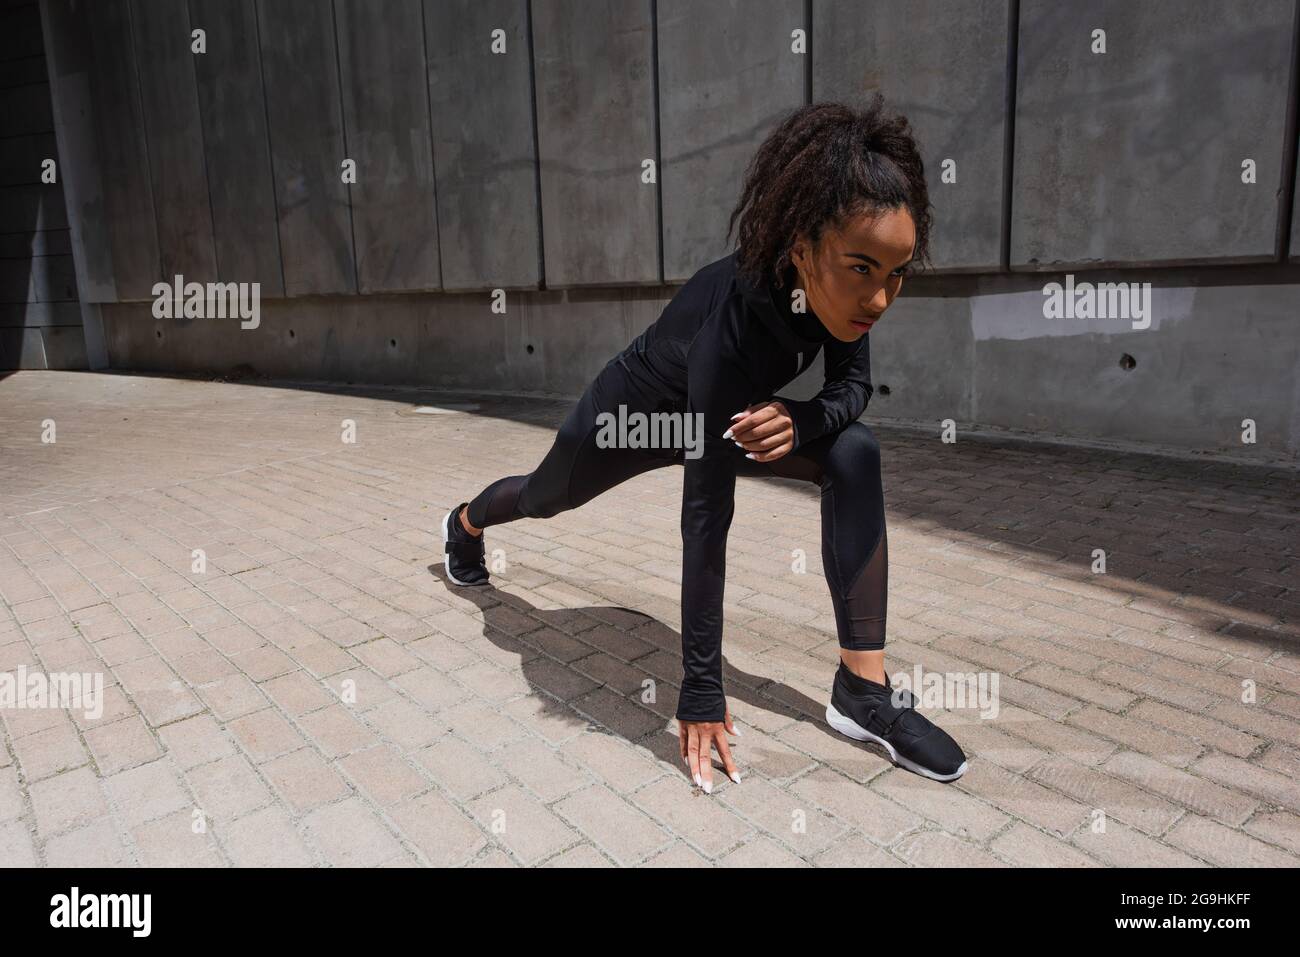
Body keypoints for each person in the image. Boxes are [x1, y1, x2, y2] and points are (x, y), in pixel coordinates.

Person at [442, 95, 967, 792]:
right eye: (863, 269)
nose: (879, 299)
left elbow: (850, 392)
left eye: (896, 274)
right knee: (545, 497)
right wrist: (698, 690)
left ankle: (863, 692)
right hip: (639, 411)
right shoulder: (737, 320)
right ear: (802, 246)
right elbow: (705, 516)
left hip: (729, 420)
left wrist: (801, 420)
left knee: (854, 451)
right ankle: (465, 523)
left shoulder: (840, 300)